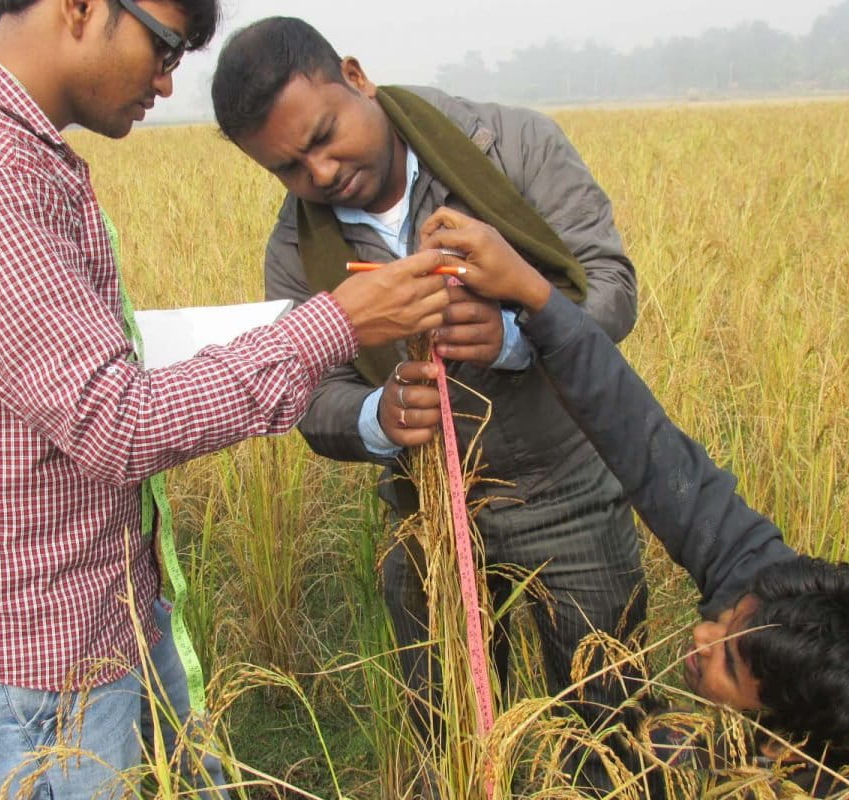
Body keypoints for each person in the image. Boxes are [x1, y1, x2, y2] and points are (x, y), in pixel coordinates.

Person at [0, 1, 452, 798]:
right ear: (83, 7)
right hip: (36, 666)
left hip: (106, 615)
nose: (167, 81)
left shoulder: (16, 157)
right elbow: (114, 423)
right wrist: (337, 324)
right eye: (165, 46)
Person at [420, 206, 849, 796]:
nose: (701, 639)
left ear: (785, 745)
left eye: (728, 663)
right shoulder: (775, 597)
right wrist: (538, 300)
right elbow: (645, 444)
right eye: (729, 619)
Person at [210, 16, 650, 762]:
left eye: (323, 137)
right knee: (452, 743)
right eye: (287, 168)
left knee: (612, 733)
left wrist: (518, 334)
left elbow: (610, 288)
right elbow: (311, 399)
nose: (317, 175)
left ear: (355, 76)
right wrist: (379, 416)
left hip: (568, 492)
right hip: (426, 516)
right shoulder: (294, 247)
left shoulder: (511, 147)